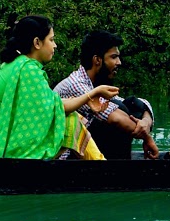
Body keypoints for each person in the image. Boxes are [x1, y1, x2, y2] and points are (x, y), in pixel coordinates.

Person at [0, 15, 118, 159]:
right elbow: (57, 109)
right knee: (71, 120)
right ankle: (100, 165)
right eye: (51, 40)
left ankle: (98, 163)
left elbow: (53, 104)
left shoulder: (20, 65)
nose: (55, 45)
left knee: (69, 116)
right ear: (37, 43)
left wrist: (89, 97)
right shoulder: (27, 70)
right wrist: (94, 93)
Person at [54, 30, 161, 160]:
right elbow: (116, 118)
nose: (119, 62)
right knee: (116, 116)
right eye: (114, 57)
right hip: (68, 157)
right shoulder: (76, 84)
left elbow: (140, 103)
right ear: (97, 60)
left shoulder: (97, 83)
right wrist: (147, 137)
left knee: (132, 104)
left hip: (89, 152)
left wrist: (145, 122)